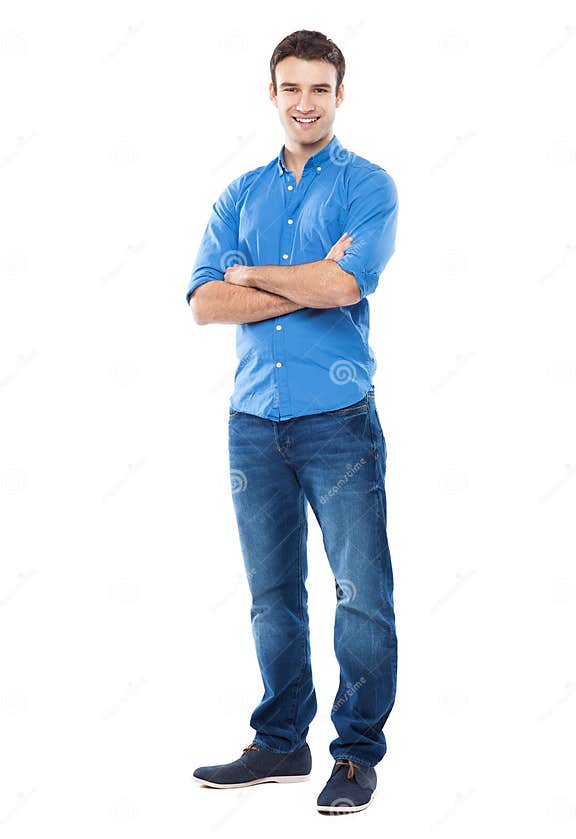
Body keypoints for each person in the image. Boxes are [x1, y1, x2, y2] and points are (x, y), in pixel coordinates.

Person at [187, 29, 398, 815]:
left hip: (337, 422)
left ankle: (354, 754)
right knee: (271, 594)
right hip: (252, 423)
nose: (304, 102)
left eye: (319, 88)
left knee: (361, 593)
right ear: (272, 95)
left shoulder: (368, 186)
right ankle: (280, 740)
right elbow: (206, 302)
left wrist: (257, 274)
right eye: (290, 88)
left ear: (340, 95)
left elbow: (347, 287)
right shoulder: (237, 195)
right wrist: (302, 280)